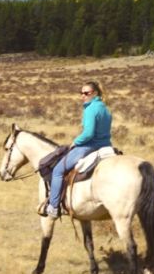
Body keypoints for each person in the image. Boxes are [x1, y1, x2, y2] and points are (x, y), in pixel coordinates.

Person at [46, 81, 113, 219]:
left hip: (89, 146)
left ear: (94, 93)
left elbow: (88, 133)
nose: (83, 96)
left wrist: (75, 142)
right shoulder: (105, 108)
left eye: (86, 93)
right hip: (106, 146)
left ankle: (53, 206)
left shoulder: (90, 109)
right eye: (81, 93)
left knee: (58, 171)